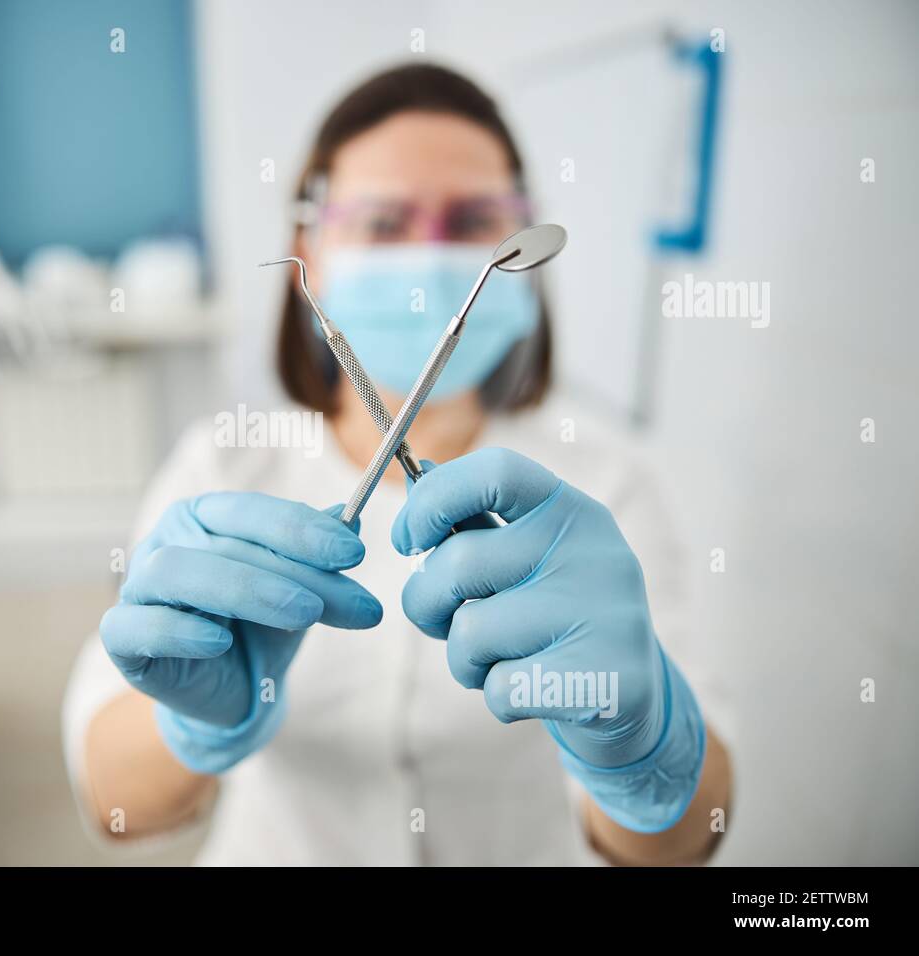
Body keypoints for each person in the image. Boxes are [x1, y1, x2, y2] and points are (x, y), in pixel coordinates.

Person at [63, 63, 733, 865]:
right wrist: (194, 721)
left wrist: (643, 746)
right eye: (383, 223)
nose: (428, 258)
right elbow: (116, 809)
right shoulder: (222, 468)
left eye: (472, 219)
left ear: (517, 245)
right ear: (309, 244)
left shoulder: (609, 483)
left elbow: (690, 843)